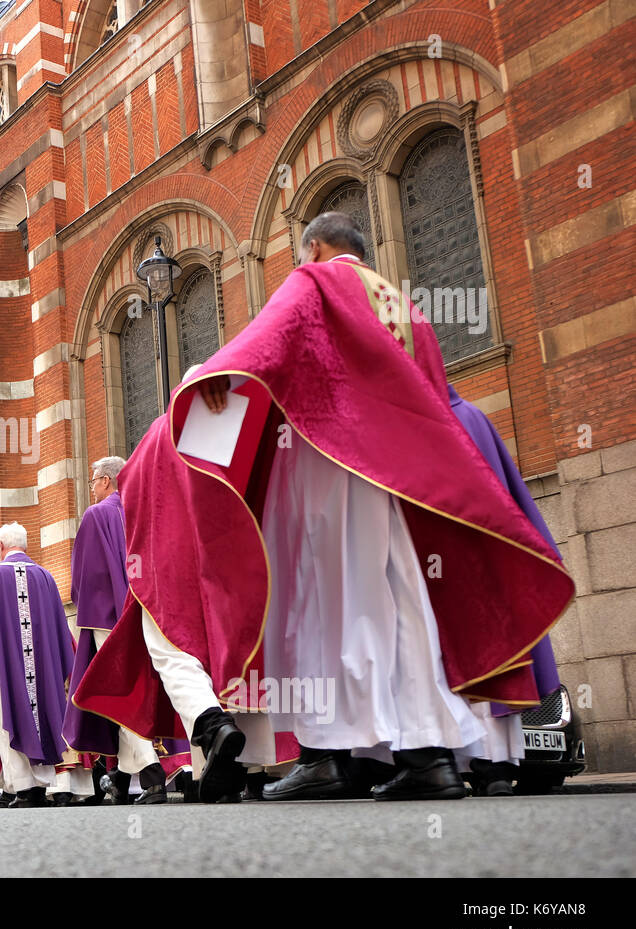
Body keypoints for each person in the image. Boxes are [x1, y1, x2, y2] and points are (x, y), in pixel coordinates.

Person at [74, 212, 574, 803]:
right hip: (400, 478)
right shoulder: (400, 305)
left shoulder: (315, 284)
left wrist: (200, 389)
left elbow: (257, 351)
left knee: (323, 604)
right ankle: (427, 754)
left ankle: (326, 756)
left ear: (312, 247)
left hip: (329, 469)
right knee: (402, 606)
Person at [447, 383, 564, 796]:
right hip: (488, 563)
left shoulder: (440, 418)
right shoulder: (474, 416)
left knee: (472, 656)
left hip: (460, 565)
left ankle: (482, 764)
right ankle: (494, 766)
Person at [63, 456, 167, 806]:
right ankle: (120, 782)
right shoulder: (143, 509)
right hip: (150, 614)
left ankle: (153, 778)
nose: (92, 487)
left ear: (106, 481)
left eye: (93, 481)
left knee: (121, 696)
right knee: (134, 691)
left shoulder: (97, 514)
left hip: (110, 618)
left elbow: (87, 576)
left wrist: (85, 608)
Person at [0, 522, 76, 808]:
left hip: (5, 668)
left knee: (10, 720)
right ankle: (41, 786)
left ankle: (24, 789)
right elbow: (60, 629)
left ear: (1, 546)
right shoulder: (45, 576)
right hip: (44, 669)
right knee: (43, 715)